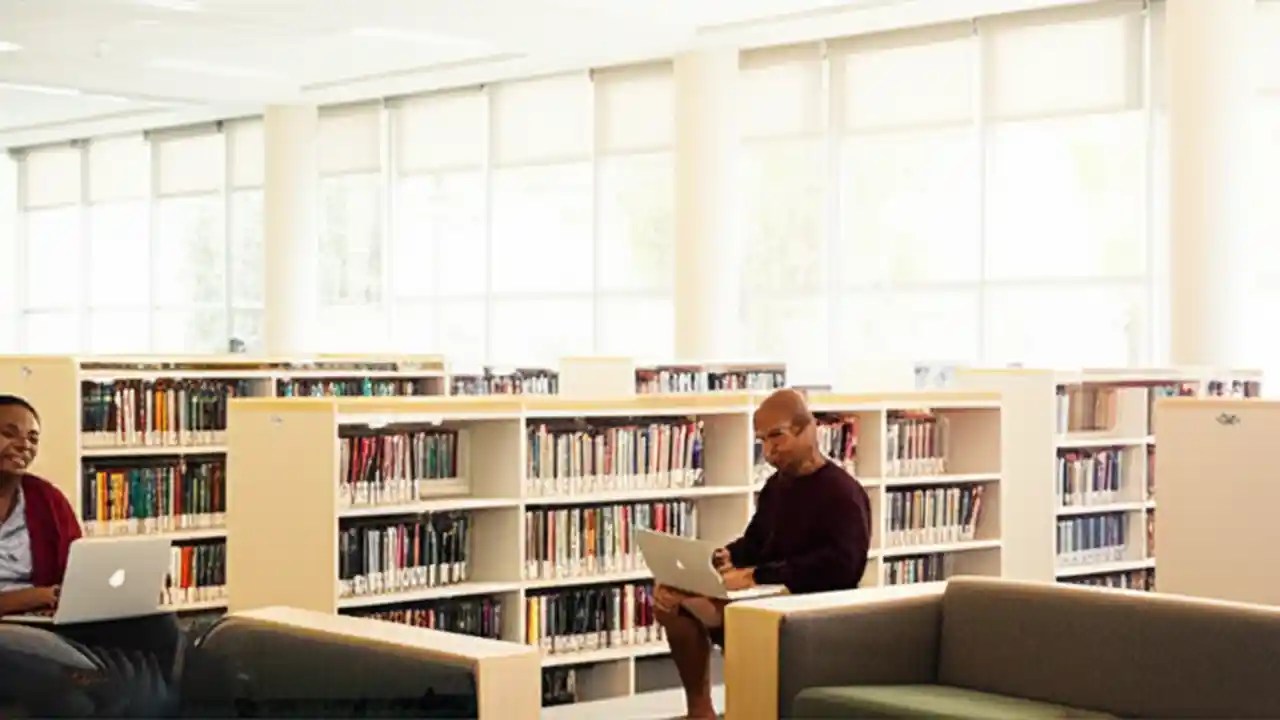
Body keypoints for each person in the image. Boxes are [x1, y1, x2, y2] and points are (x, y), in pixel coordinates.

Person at [653, 389, 871, 719]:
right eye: (761, 441)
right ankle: (701, 710)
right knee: (670, 600)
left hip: (809, 607)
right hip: (766, 596)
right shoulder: (775, 487)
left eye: (777, 438)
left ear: (807, 429)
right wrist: (727, 556)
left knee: (692, 605)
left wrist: (757, 576)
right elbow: (756, 542)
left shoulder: (843, 494)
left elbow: (842, 568)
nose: (768, 452)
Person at [0, 395, 183, 716]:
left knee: (157, 624)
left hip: (44, 615)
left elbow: (76, 567)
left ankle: (152, 701)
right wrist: (36, 597)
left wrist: (109, 592)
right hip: (12, 620)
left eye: (32, 438)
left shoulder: (45, 498)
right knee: (54, 674)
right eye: (8, 433)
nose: (23, 445)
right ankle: (105, 689)